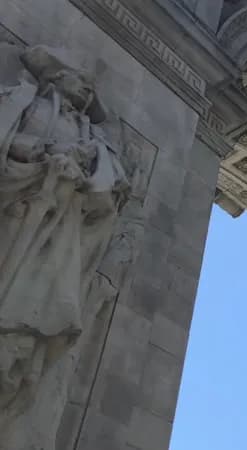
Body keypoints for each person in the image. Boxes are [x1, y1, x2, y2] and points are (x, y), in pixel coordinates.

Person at [0, 44, 130, 450]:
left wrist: (88, 167)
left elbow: (110, 192)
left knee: (41, 320)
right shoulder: (22, 102)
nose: (88, 92)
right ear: (55, 78)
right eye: (82, 81)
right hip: (21, 211)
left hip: (59, 237)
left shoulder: (96, 141)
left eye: (92, 88)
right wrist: (41, 153)